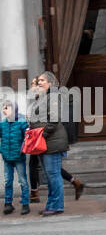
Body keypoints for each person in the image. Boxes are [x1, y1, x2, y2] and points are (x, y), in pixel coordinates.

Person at [27, 71, 69, 216]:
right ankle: (51, 204)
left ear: (50, 83)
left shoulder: (54, 97)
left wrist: (41, 135)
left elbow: (54, 120)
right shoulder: (42, 97)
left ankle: (57, 205)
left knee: (53, 175)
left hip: (52, 142)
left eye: (42, 80)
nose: (39, 83)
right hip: (45, 143)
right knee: (50, 176)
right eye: (38, 81)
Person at [1, 98, 30, 215]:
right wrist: (2, 150)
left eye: (6, 108)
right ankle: (8, 204)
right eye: (3, 108)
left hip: (19, 157)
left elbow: (27, 138)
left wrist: (22, 150)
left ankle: (25, 203)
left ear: (13, 109)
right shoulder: (2, 123)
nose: (3, 110)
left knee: (22, 181)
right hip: (7, 157)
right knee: (8, 181)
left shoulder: (22, 123)